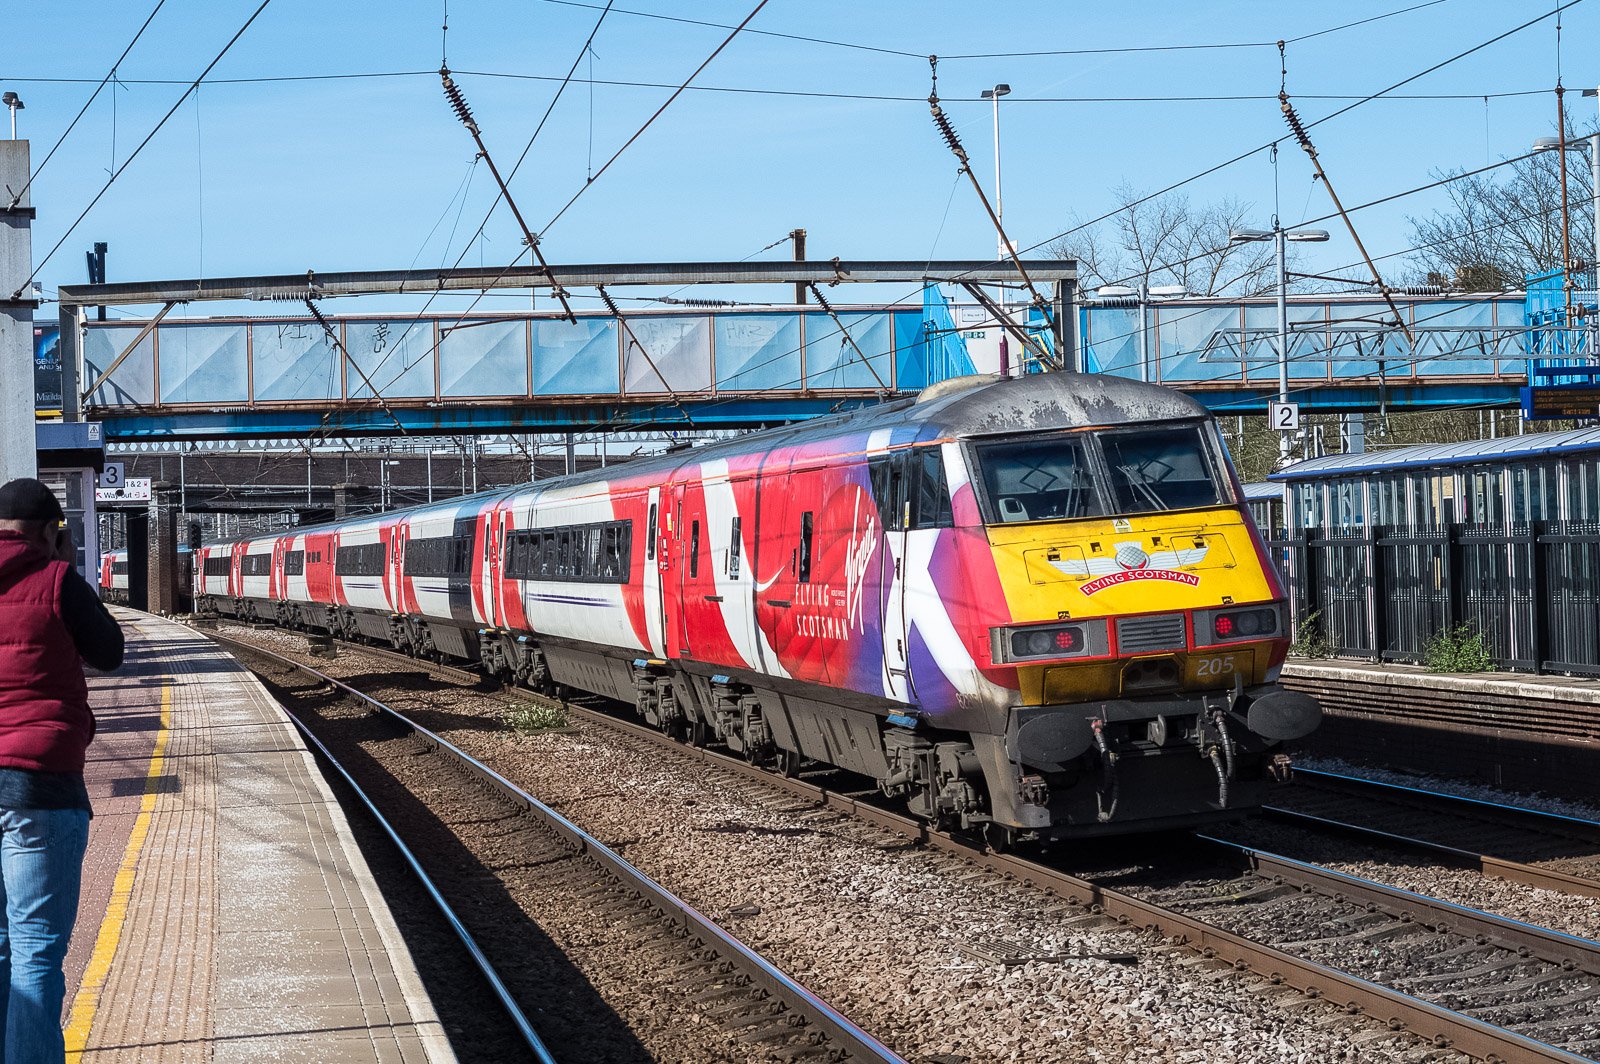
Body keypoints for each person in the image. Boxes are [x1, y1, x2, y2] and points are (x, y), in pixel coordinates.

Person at [0, 478, 123, 1063]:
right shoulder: (56, 580)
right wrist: (67, 570)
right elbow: (110, 652)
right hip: (40, 783)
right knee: (36, 951)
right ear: (51, 532)